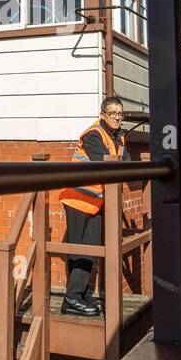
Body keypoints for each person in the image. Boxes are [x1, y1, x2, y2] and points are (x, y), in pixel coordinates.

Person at [56, 96, 129, 317]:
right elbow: (108, 163)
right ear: (102, 115)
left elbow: (127, 163)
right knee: (79, 249)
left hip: (96, 202)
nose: (117, 117)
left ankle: (82, 296)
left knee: (90, 250)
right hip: (78, 199)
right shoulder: (93, 135)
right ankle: (71, 300)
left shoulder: (119, 137)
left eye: (120, 113)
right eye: (112, 113)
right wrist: (120, 162)